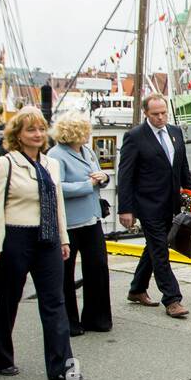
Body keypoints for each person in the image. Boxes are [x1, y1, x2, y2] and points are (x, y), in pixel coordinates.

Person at [0, 107, 80, 380]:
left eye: (41, 129)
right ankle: (2, 356)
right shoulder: (6, 164)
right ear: (18, 135)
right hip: (16, 237)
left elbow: (58, 203)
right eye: (31, 130)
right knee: (8, 299)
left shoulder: (52, 164)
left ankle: (61, 365)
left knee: (54, 301)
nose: (38, 134)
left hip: (47, 238)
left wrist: (63, 238)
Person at [119, 93, 191, 317]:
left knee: (154, 247)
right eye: (155, 114)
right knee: (160, 249)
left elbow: (181, 166)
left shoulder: (174, 132)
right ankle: (172, 299)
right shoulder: (134, 137)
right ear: (146, 113)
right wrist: (126, 209)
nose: (161, 117)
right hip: (147, 204)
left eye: (164, 113)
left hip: (171, 202)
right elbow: (125, 175)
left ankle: (136, 289)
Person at [49, 112, 113, 335]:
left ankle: (97, 318)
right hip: (69, 222)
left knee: (98, 267)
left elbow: (97, 174)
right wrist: (87, 185)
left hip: (92, 217)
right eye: (85, 130)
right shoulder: (56, 155)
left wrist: (103, 177)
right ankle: (68, 322)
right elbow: (56, 187)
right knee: (65, 273)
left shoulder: (86, 151)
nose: (88, 134)